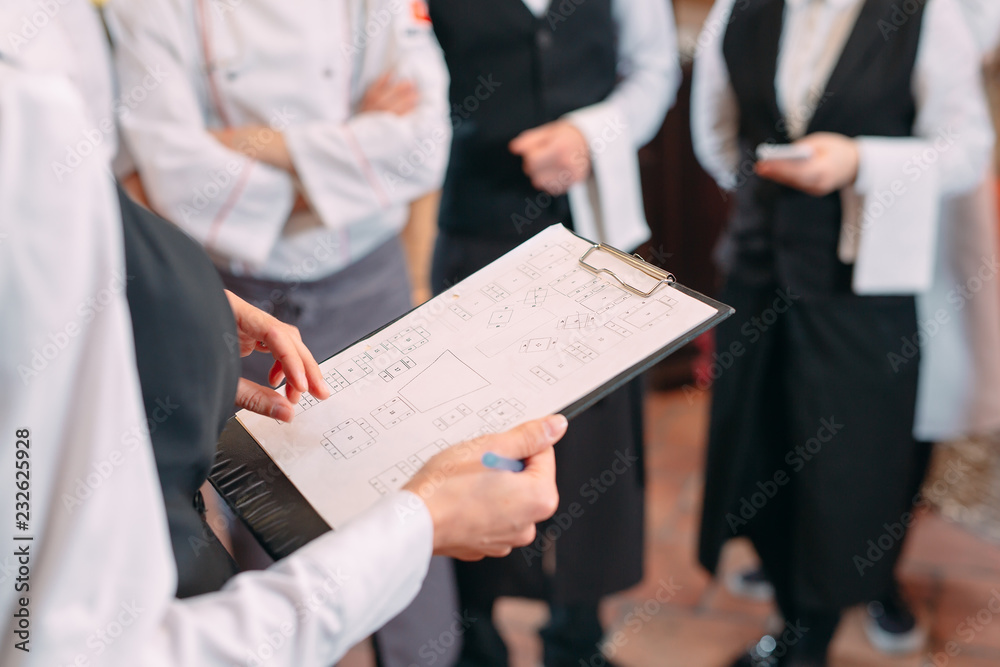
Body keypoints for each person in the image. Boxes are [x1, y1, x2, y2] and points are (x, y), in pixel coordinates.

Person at [0, 42, 567, 666]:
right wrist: (421, 525)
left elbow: (418, 150)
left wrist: (184, 310)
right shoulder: (30, 113)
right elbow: (90, 650)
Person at [103, 0, 458, 662]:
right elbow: (175, 177)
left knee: (411, 487)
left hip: (369, 283)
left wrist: (261, 145)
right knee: (266, 514)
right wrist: (353, 157)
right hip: (233, 293)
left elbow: (423, 143)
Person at [690, 0, 995, 664]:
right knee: (761, 443)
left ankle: (814, 631)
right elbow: (717, 135)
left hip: (863, 282)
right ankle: (789, 605)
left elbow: (968, 151)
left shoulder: (924, 16)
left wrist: (857, 161)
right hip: (758, 268)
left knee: (846, 466)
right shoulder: (737, 12)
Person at [425, 1, 680, 664]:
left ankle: (577, 631)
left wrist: (589, 134)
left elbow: (652, 70)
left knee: (593, 438)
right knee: (471, 426)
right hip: (475, 227)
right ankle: (474, 627)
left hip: (589, 232)